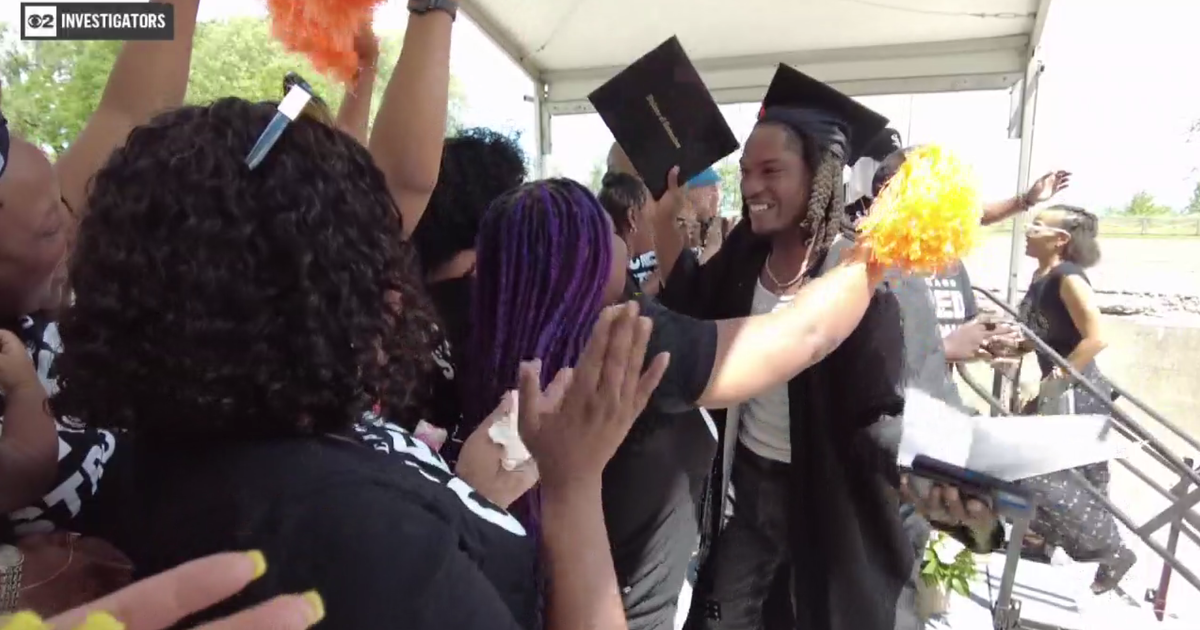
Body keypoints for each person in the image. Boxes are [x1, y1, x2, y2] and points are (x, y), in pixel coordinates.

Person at [49, 91, 671, 629]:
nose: (396, 291)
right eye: (369, 256)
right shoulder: (358, 539)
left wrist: (467, 487)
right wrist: (573, 485)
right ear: (295, 289)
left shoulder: (200, 438)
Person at [463, 175, 886, 630]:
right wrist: (876, 251)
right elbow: (802, 335)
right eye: (607, 232)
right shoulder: (625, 341)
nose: (621, 240)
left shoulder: (502, 348)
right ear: (579, 260)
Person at [653, 68, 911, 630]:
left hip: (827, 498)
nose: (751, 187)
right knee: (720, 615)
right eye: (746, 171)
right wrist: (666, 217)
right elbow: (692, 308)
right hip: (747, 485)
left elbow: (885, 413)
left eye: (772, 171)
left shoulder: (855, 276)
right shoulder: (747, 255)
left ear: (818, 175)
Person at [1014, 205, 1136, 593]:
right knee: (1074, 482)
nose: (1026, 231)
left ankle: (1112, 555)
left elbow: (1095, 337)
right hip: (1059, 389)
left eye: (1036, 226)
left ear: (1060, 240)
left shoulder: (1067, 278)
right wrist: (1008, 345)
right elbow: (1042, 334)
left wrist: (1051, 382)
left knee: (1082, 483)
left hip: (1080, 392)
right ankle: (1098, 553)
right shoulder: (1039, 277)